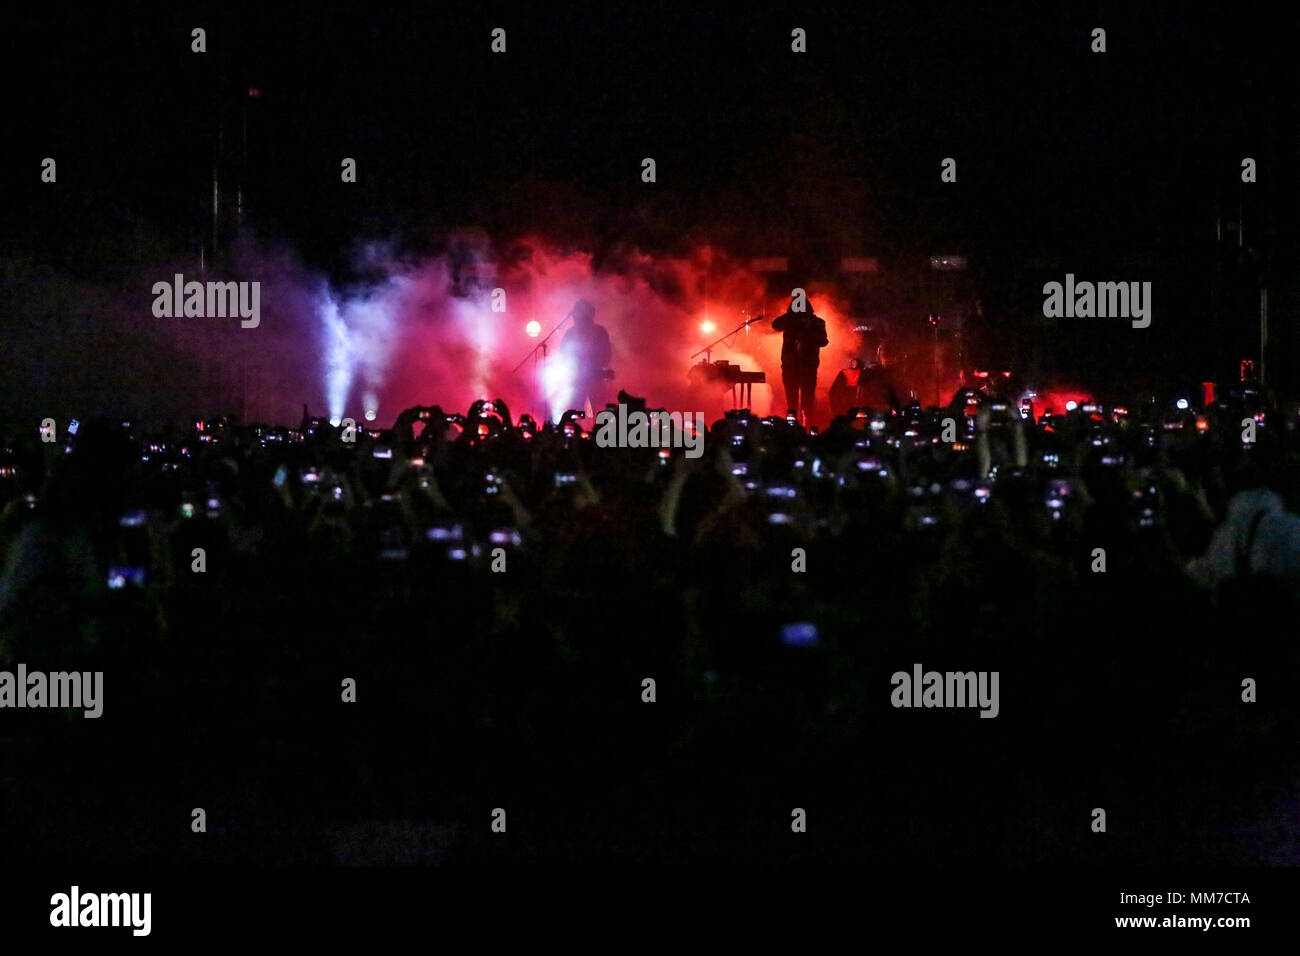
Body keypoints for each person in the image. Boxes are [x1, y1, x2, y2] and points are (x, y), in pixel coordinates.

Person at [771, 296, 828, 426]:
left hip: (808, 366)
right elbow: (775, 325)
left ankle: (807, 427)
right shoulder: (790, 321)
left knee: (807, 401)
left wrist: (809, 330)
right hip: (791, 366)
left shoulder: (816, 322)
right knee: (792, 401)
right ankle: (793, 428)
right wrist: (790, 317)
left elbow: (824, 341)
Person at [558, 299, 613, 417]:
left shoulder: (598, 331)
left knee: (598, 410)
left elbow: (606, 353)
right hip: (582, 377)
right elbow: (563, 354)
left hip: (593, 376)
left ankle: (598, 433)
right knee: (578, 411)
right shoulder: (572, 333)